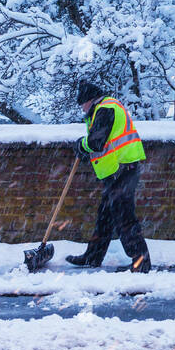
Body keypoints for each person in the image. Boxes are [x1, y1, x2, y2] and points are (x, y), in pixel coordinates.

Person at [67, 81, 152, 273]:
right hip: (117, 172)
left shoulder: (106, 108)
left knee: (125, 218)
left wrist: (83, 144)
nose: (82, 108)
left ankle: (141, 262)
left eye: (82, 104)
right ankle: (93, 257)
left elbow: (97, 141)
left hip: (123, 170)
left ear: (90, 100)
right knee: (105, 217)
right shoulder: (103, 109)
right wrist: (85, 149)